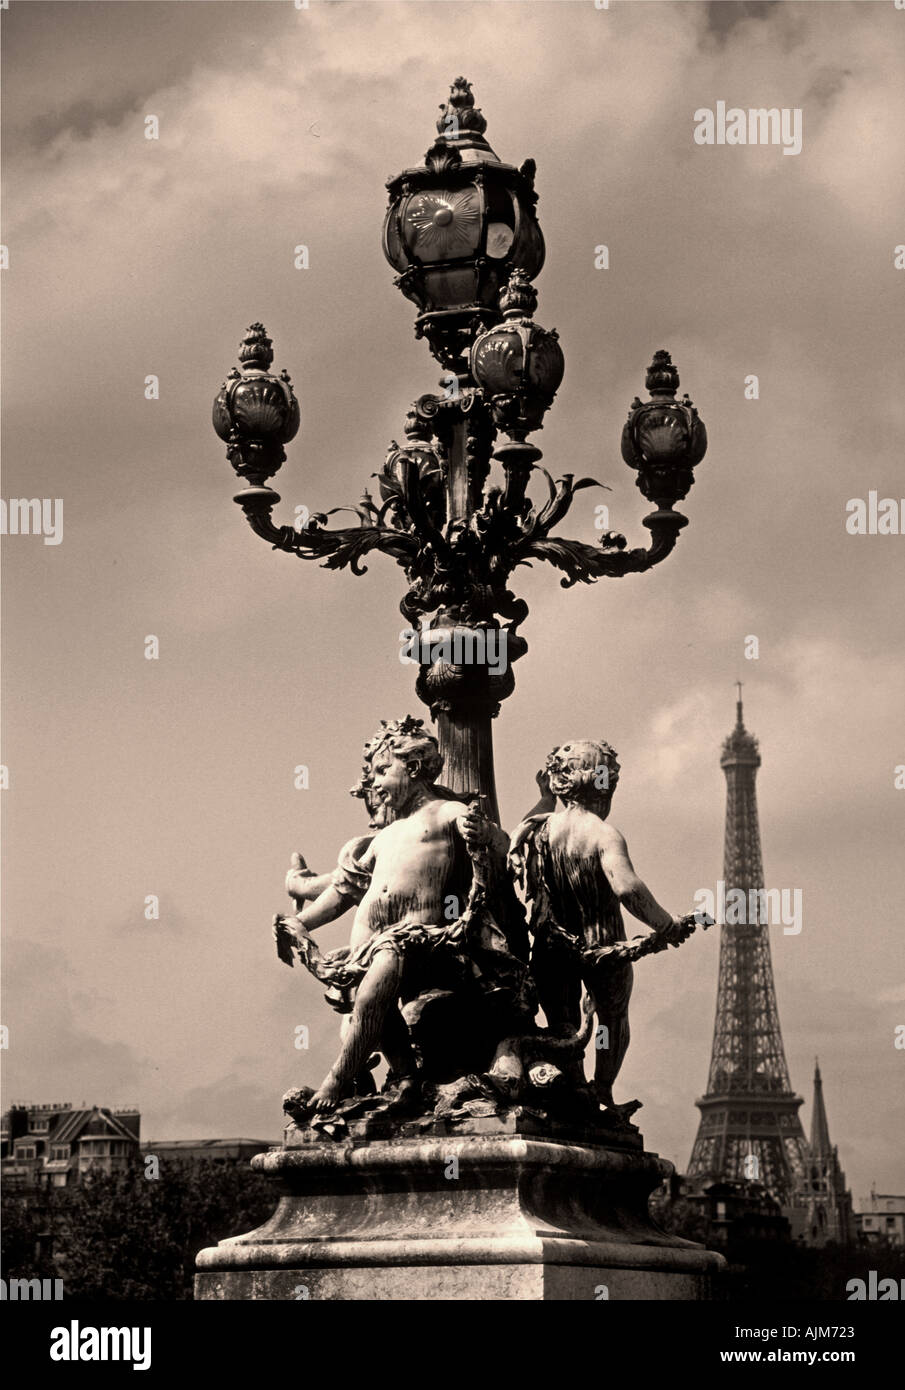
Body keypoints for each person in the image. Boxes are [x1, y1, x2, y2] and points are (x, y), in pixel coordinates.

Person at [510, 739, 691, 1110]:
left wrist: (546, 797)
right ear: (602, 784)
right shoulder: (602, 834)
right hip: (602, 947)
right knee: (610, 1021)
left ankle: (572, 1086)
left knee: (564, 1019)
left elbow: (526, 826)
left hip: (552, 947)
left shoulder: (540, 829)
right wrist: (667, 924)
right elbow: (627, 888)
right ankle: (602, 1090)